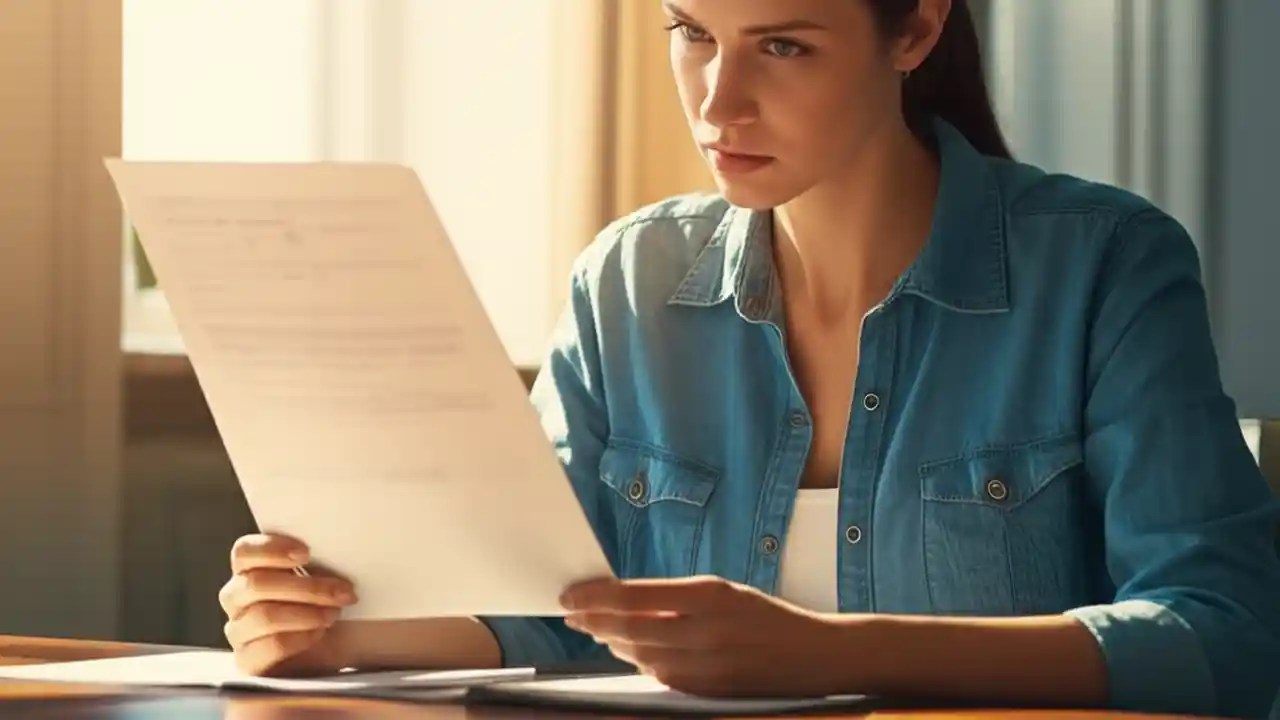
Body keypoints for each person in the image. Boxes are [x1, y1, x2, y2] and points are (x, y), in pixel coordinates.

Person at [217, 0, 1280, 715]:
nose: (715, 103)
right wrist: (340, 640)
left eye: (780, 46)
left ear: (912, 27)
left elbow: (1220, 638)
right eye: (691, 32)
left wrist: (831, 653)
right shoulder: (627, 282)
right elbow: (561, 613)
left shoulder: (1101, 265)